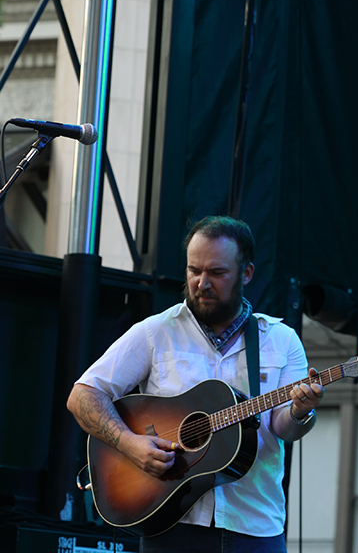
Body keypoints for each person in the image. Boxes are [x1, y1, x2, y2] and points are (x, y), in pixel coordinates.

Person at [66, 216, 323, 552]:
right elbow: (82, 395)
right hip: (170, 524)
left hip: (255, 525)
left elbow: (282, 428)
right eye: (193, 270)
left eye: (217, 273)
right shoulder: (156, 332)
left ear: (246, 273)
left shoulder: (280, 340)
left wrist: (301, 411)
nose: (202, 283)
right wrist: (129, 443)